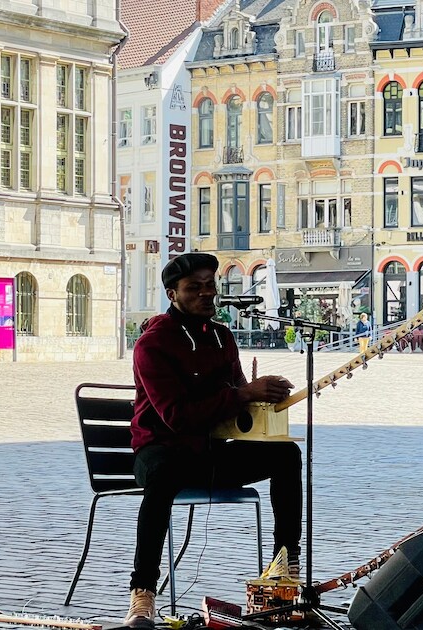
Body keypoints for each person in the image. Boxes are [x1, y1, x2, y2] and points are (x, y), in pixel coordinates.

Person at [125, 253, 303, 626]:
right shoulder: (153, 344)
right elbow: (176, 417)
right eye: (195, 287)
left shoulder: (221, 335)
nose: (207, 293)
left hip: (208, 453)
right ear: (172, 294)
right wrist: (242, 394)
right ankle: (142, 591)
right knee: (164, 472)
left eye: (211, 285)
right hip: (161, 449)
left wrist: (263, 396)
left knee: (286, 454)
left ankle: (285, 568)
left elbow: (238, 395)